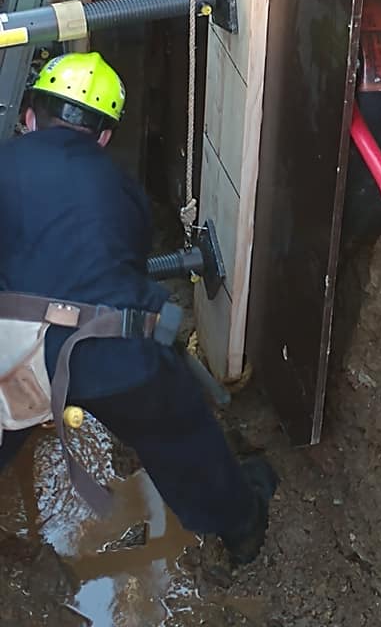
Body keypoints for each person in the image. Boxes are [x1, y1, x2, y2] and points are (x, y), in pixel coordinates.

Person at [0, 50, 277, 564]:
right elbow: (122, 265)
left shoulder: (5, 163)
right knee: (181, 431)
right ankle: (240, 526)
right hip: (116, 351)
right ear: (104, 136)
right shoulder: (121, 189)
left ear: (30, 116)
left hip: (17, 355)